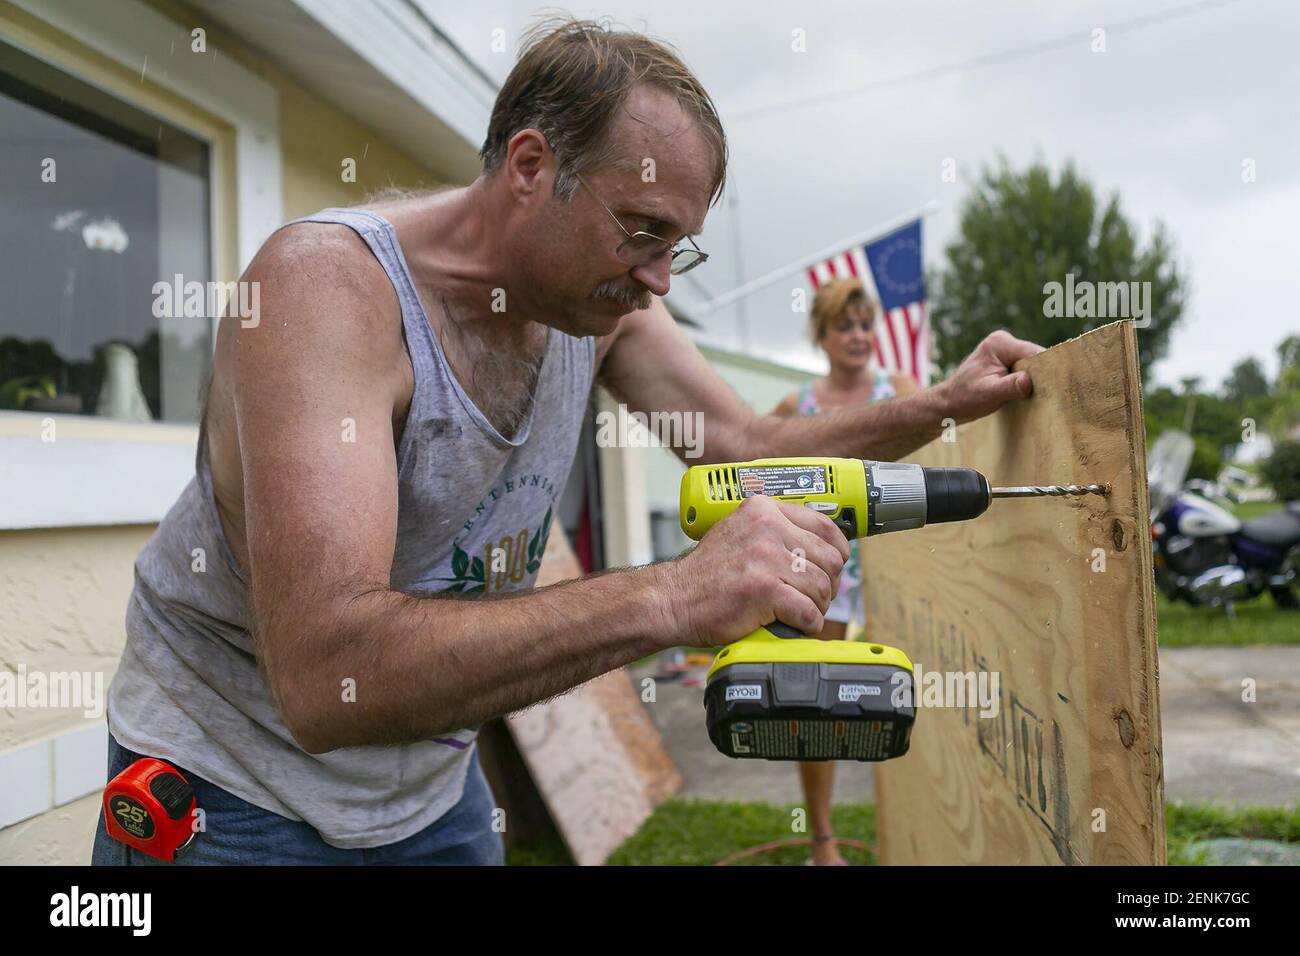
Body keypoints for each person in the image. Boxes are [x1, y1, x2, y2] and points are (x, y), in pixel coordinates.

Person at [92, 17, 1043, 865]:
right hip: (233, 798)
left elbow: (743, 440)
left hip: (429, 790)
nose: (662, 279)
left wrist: (941, 406)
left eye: (681, 246)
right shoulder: (327, 295)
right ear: (532, 166)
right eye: (642, 232)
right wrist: (675, 592)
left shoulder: (597, 307)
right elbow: (328, 675)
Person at [773, 278, 917, 866]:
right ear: (822, 336)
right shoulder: (796, 408)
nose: (858, 336)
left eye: (865, 324)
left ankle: (913, 826)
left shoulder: (899, 390)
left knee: (903, 697)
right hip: (824, 573)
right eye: (845, 326)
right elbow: (745, 465)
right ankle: (823, 843)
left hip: (895, 572)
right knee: (817, 707)